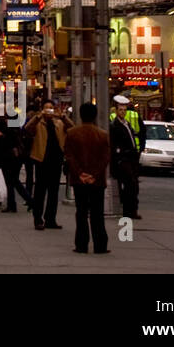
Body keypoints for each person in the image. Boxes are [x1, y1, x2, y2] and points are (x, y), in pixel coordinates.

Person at [63, 101, 111, 254]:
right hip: (97, 181)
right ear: (95, 115)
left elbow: (69, 156)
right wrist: (94, 174)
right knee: (97, 213)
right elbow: (105, 158)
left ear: (81, 114)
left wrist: (80, 173)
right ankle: (100, 245)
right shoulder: (103, 135)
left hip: (79, 180)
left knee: (81, 212)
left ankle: (81, 245)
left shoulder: (72, 133)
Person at [23, 100, 73, 230]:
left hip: (56, 161)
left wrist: (62, 116)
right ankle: (38, 218)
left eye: (51, 108)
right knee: (40, 191)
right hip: (41, 160)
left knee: (53, 192)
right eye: (46, 108)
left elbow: (72, 127)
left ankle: (51, 219)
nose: (49, 110)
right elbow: (27, 128)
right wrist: (39, 116)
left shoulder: (59, 123)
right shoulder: (38, 123)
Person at [110, 95, 143, 221]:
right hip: (123, 159)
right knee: (129, 185)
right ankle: (127, 211)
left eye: (124, 110)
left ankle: (132, 210)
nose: (122, 112)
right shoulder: (115, 125)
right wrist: (118, 157)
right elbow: (114, 144)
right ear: (116, 111)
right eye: (120, 110)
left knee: (133, 186)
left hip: (132, 158)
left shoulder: (127, 123)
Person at [0, 118, 33, 213]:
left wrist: (1, 136)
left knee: (12, 182)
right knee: (12, 182)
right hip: (16, 159)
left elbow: (6, 143)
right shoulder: (17, 128)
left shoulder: (7, 130)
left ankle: (29, 201)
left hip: (9, 159)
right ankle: (12, 204)